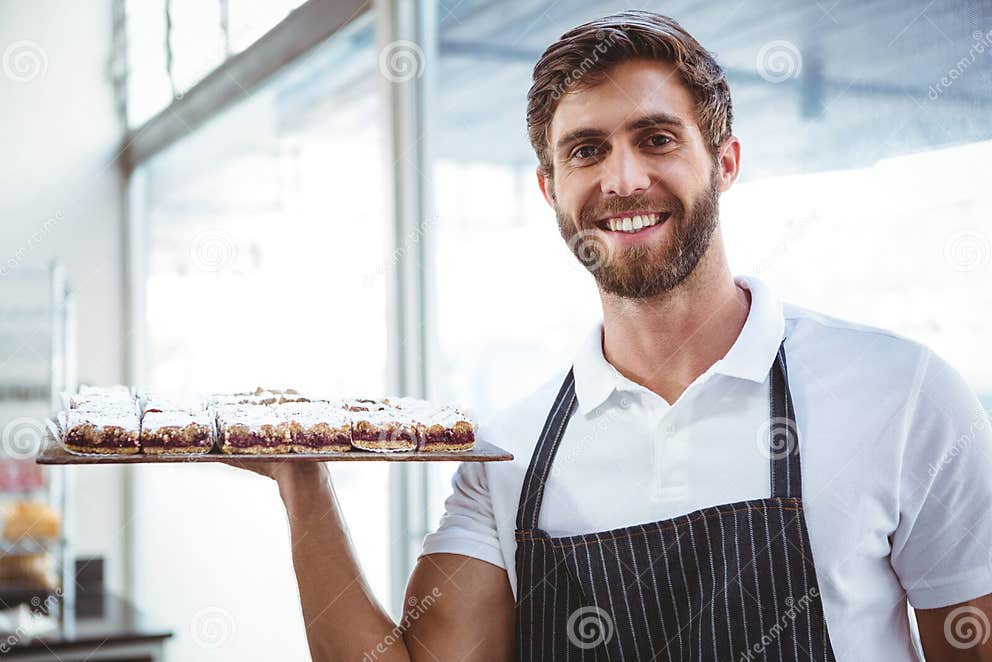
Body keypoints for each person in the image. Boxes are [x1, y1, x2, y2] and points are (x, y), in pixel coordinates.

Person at [228, 10, 992, 661]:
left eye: (657, 138)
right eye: (587, 150)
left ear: (724, 162)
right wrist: (305, 487)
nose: (623, 180)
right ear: (550, 188)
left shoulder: (901, 393)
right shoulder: (507, 453)